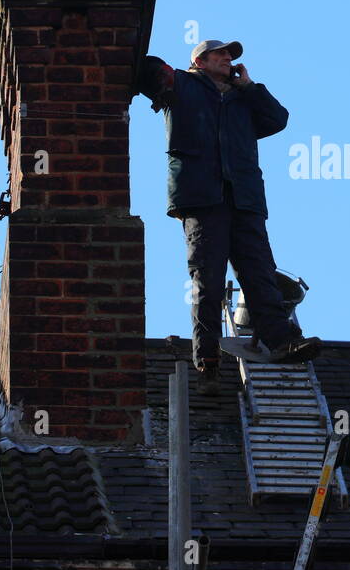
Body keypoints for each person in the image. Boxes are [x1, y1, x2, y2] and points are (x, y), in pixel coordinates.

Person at [135, 39, 322, 393]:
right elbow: (144, 68)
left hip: (244, 198)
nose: (227, 59)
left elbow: (278, 118)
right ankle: (206, 356)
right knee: (208, 278)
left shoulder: (243, 98)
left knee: (260, 273)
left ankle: (282, 342)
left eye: (230, 56)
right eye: (220, 54)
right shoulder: (181, 85)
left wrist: (249, 86)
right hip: (203, 196)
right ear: (200, 61)